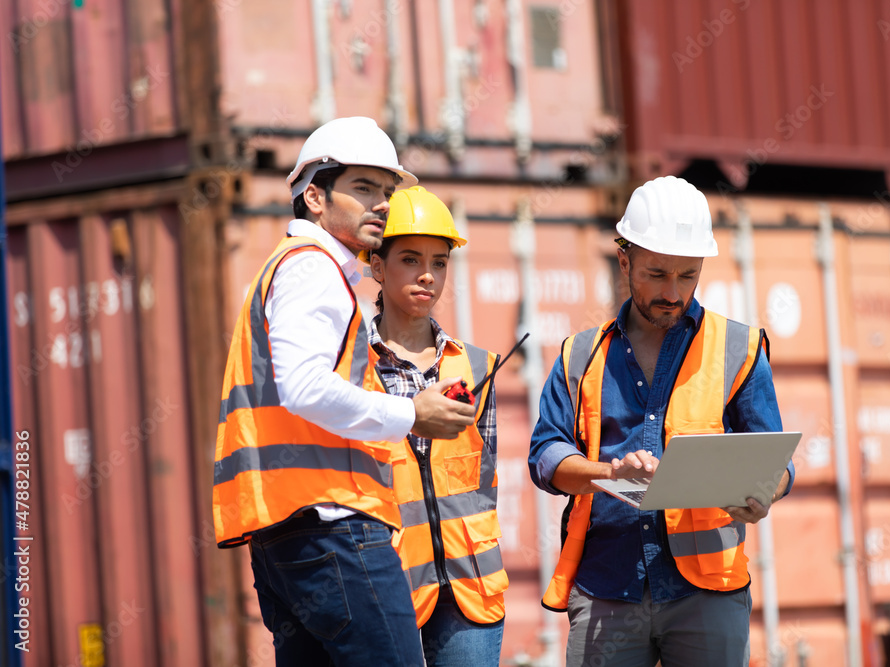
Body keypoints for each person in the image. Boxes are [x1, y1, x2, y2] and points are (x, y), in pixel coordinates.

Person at [213, 117, 476, 666]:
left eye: (385, 190)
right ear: (313, 196)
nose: (381, 204)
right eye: (362, 188)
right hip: (334, 530)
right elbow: (305, 387)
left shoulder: (290, 270)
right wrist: (412, 412)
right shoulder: (312, 269)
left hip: (287, 533)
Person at [528, 175, 796, 667]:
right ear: (624, 259)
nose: (672, 292)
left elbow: (776, 461)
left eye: (687, 276)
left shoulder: (738, 348)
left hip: (707, 590)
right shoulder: (579, 356)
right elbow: (546, 458)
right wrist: (609, 472)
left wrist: (765, 493)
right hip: (606, 585)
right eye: (656, 274)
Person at [362, 186, 508, 666]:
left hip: (471, 588)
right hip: (388, 584)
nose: (428, 274)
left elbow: (480, 483)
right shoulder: (351, 369)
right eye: (409, 258)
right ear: (377, 268)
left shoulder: (477, 365)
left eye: (440, 262)